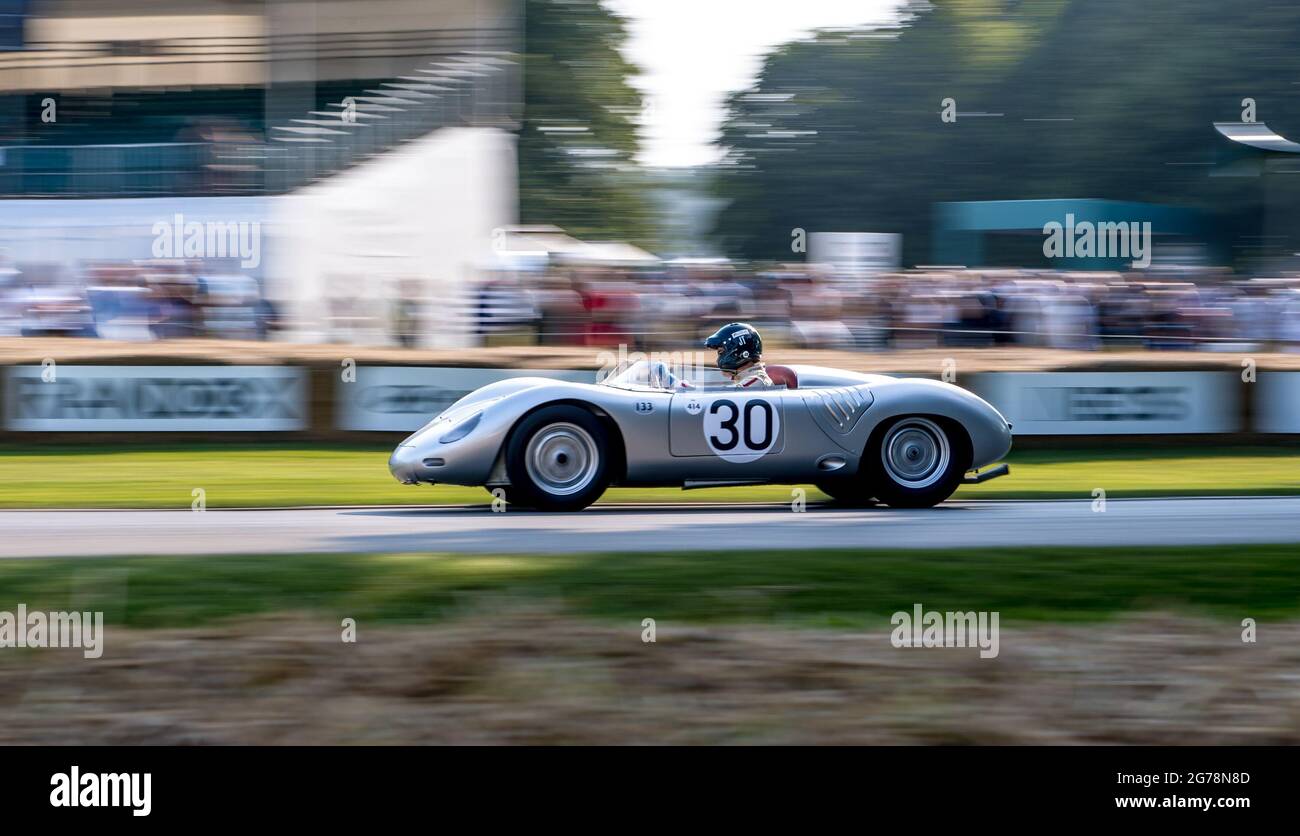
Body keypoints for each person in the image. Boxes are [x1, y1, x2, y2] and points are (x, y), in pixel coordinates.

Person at [705, 322, 772, 388]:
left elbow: (728, 393)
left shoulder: (756, 380)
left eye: (721, 352)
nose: (717, 360)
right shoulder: (745, 377)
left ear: (739, 351)